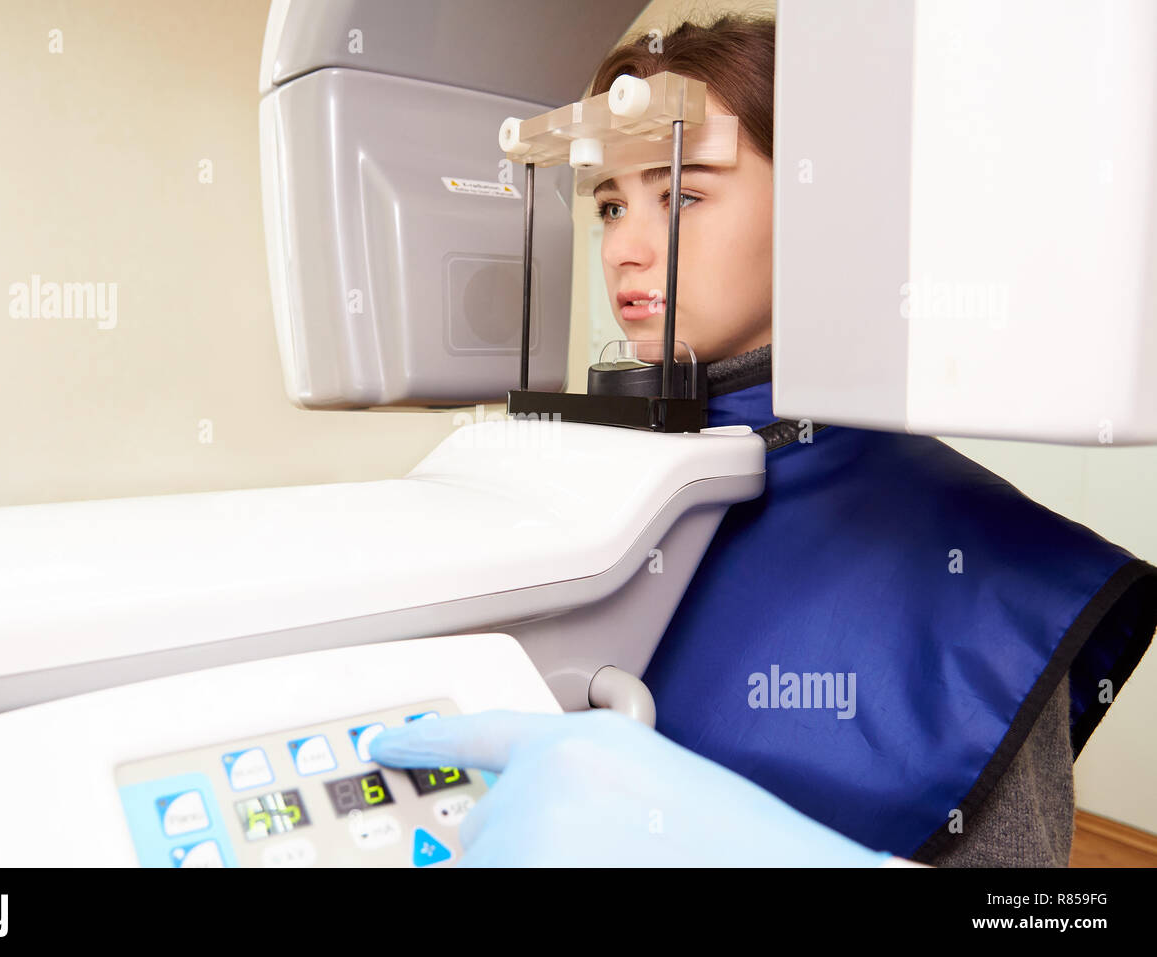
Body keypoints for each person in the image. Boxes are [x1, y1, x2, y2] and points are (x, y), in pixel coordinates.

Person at [370, 14, 1157, 867]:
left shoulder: (982, 574)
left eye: (685, 192)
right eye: (609, 205)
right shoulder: (564, 479)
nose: (627, 250)